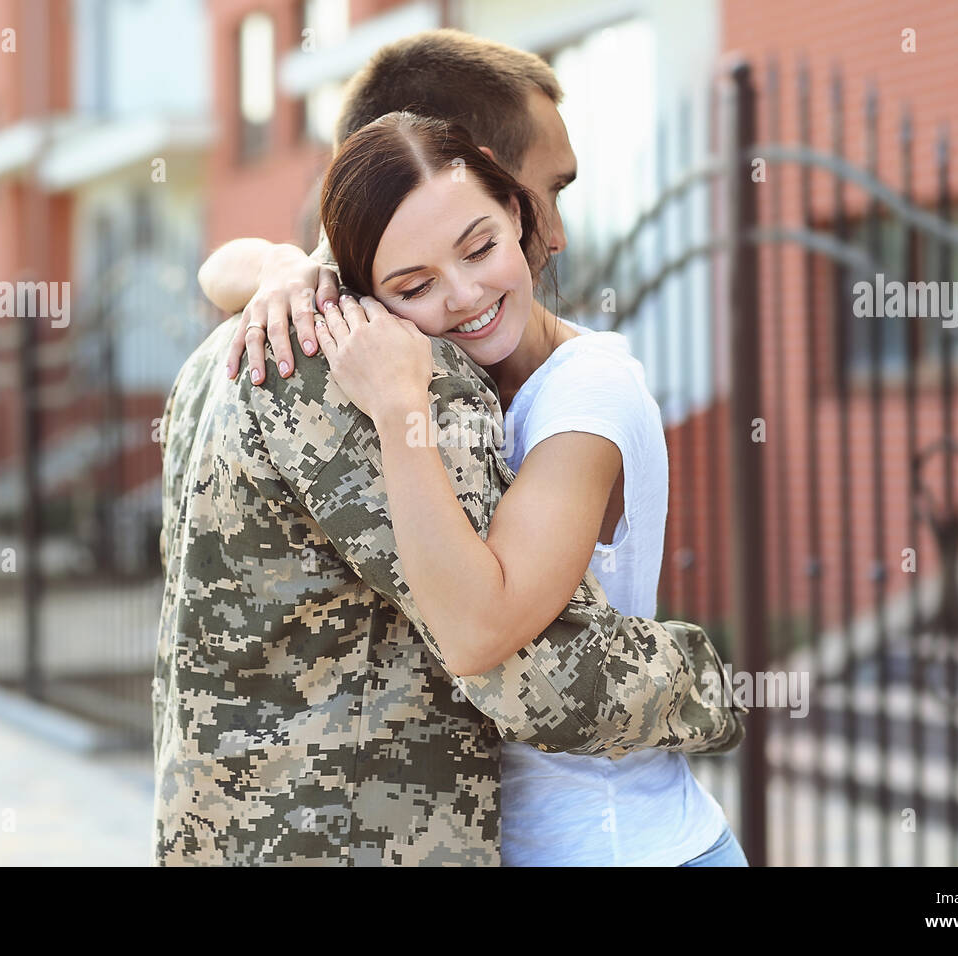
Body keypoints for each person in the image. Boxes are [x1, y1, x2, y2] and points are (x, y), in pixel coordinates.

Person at [155, 29, 745, 867]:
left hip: (623, 843)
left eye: (484, 243)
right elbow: (500, 648)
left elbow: (495, 638)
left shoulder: (575, 386)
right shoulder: (357, 361)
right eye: (549, 189)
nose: (557, 232)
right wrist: (697, 683)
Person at [299, 110, 745, 867]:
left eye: (480, 248)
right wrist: (283, 276)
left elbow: (479, 631)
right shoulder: (458, 389)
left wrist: (399, 410)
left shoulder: (590, 390)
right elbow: (227, 269)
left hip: (623, 847)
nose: (467, 294)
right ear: (368, 303)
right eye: (415, 286)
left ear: (515, 209)